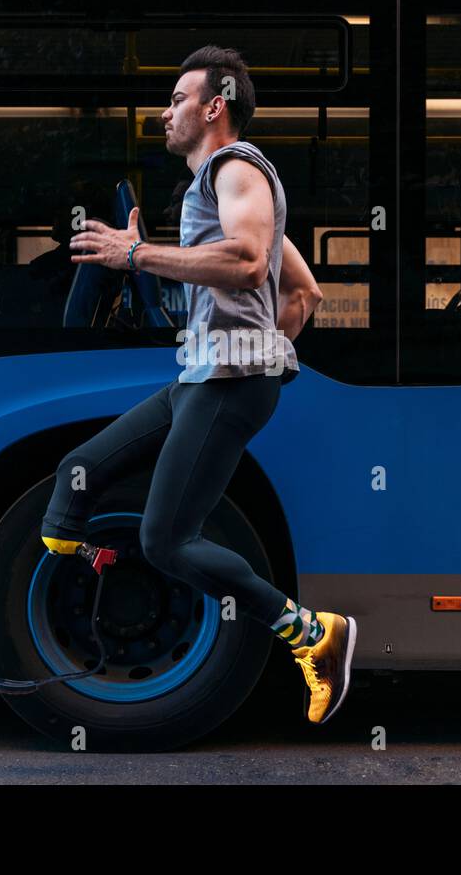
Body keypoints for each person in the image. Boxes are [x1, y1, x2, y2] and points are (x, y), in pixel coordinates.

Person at [40, 45, 357, 725]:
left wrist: (138, 256)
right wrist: (264, 341)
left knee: (168, 540)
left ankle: (315, 633)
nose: (165, 112)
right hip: (205, 377)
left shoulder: (236, 168)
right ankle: (94, 557)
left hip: (228, 384)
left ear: (216, 106)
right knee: (79, 469)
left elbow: (246, 262)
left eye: (178, 99)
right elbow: (303, 288)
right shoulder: (214, 187)